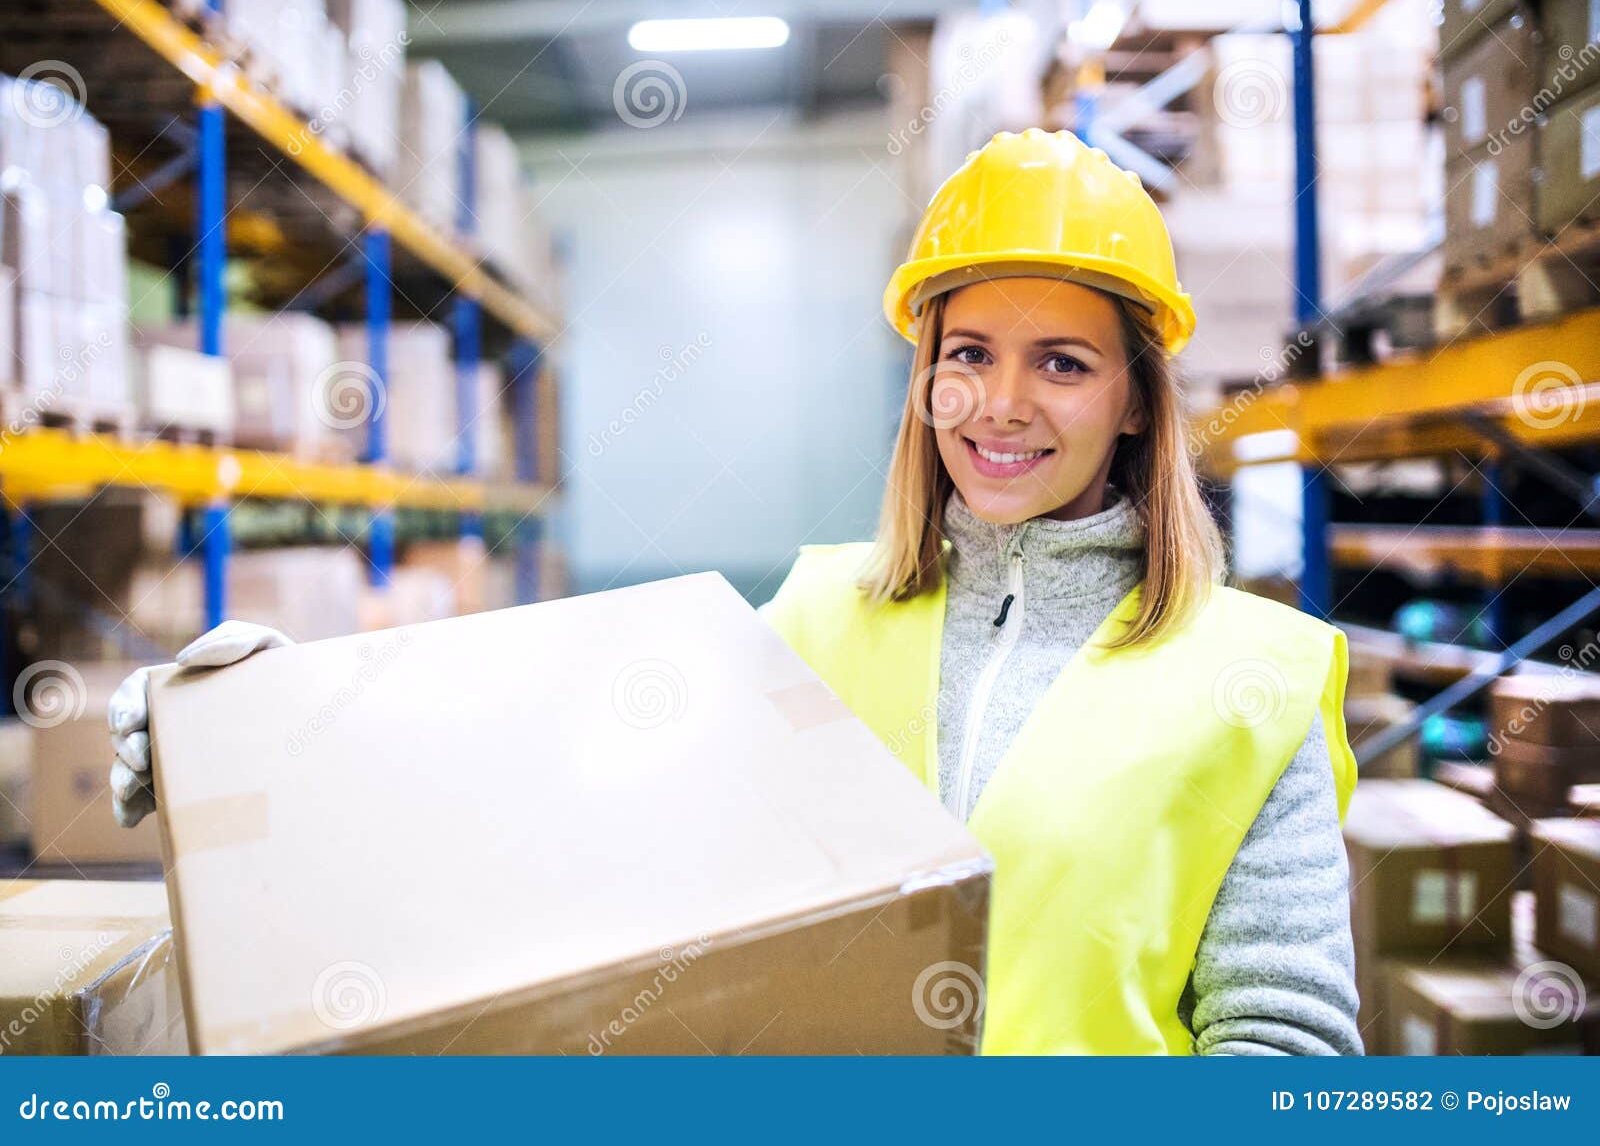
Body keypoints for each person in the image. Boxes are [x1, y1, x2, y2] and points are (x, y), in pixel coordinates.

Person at [107, 128, 1361, 1056]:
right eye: (966, 354)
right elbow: (539, 799)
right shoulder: (812, 623)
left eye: (1064, 362)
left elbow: (1283, 1045)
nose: (1001, 402)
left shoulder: (1246, 679)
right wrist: (268, 731)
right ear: (924, 377)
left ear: (1137, 395)